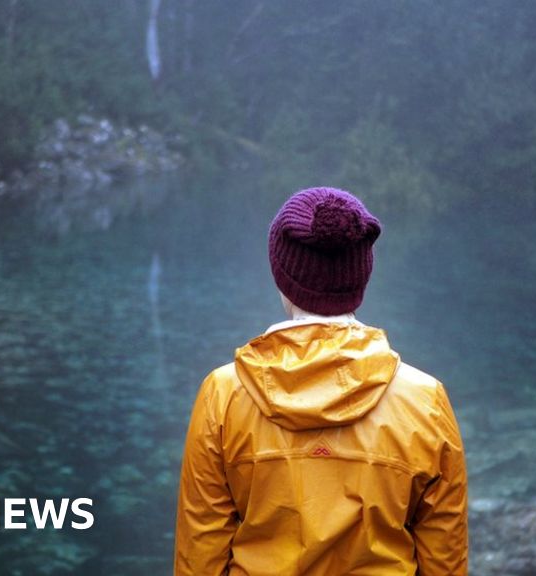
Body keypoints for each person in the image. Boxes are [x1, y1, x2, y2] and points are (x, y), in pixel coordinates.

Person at [174, 187, 469, 575]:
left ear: (281, 275)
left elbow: (201, 550)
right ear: (361, 275)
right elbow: (445, 557)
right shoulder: (425, 400)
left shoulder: (224, 394)